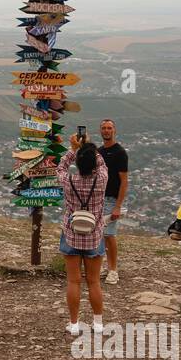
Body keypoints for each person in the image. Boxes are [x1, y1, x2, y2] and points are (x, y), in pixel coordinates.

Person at [57, 133, 108, 336]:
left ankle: (74, 324)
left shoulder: (69, 181)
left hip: (71, 234)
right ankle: (98, 323)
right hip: (94, 236)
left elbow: (60, 168)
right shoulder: (102, 179)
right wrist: (87, 147)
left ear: (77, 163)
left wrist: (73, 148)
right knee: (94, 281)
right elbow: (102, 163)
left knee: (73, 281)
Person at [97, 119, 128, 285]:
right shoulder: (99, 151)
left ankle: (113, 269)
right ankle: (105, 266)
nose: (106, 131)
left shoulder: (120, 152)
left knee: (109, 234)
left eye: (109, 128)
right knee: (100, 235)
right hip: (98, 198)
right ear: (100, 131)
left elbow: (124, 180)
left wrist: (118, 205)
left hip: (111, 199)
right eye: (104, 128)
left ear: (114, 130)